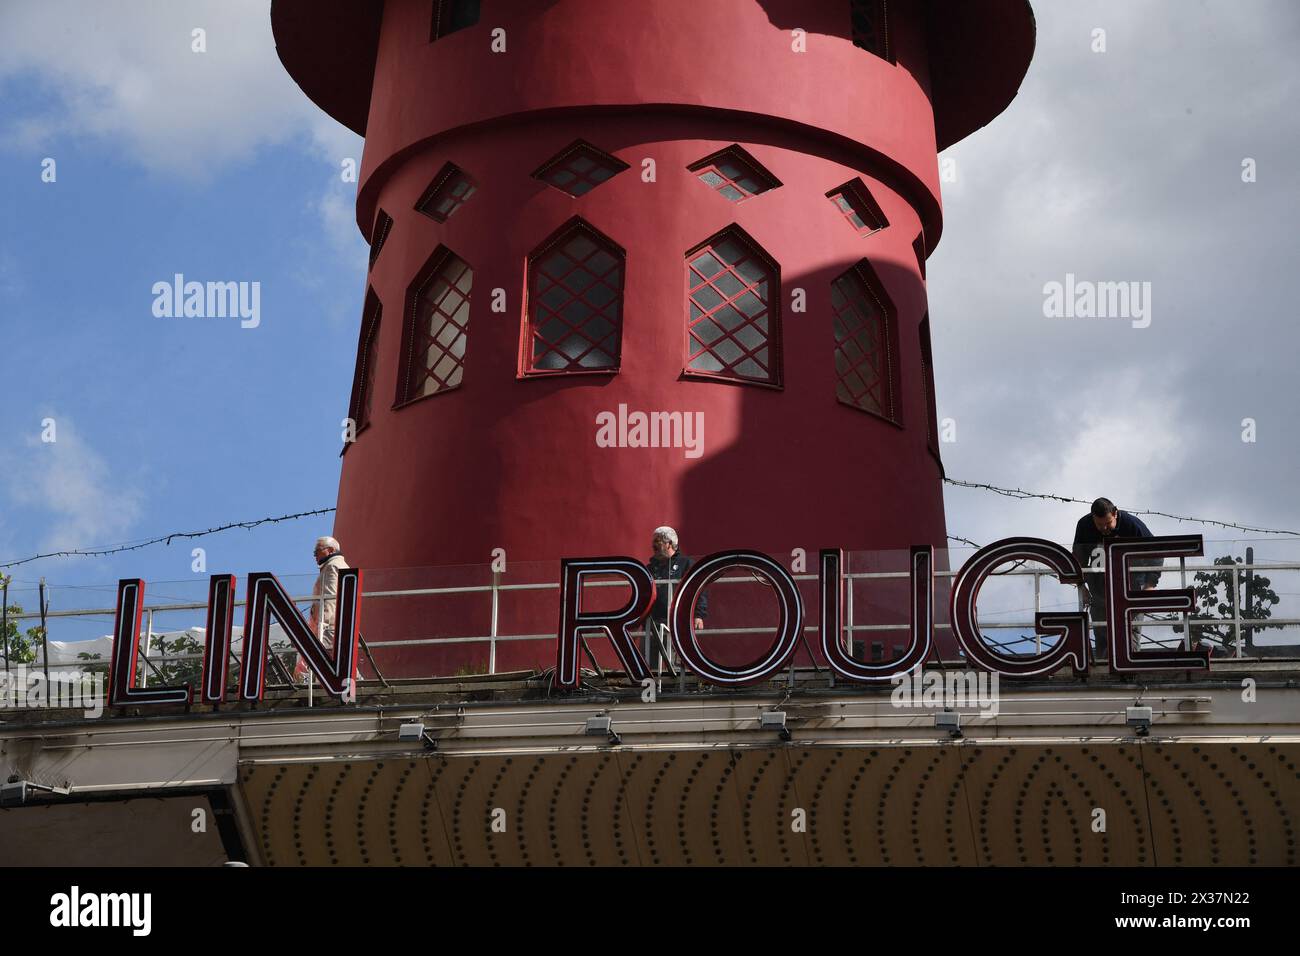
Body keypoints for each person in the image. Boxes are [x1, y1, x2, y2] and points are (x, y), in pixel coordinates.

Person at [1071, 498, 1163, 661]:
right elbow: (1077, 559)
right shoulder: (1084, 525)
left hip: (1131, 589)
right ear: (1093, 518)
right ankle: (1105, 671)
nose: (1104, 529)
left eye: (1108, 523)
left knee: (1130, 634)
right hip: (1099, 590)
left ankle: (1130, 672)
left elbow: (1155, 552)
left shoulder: (1131, 525)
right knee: (1102, 635)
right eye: (1099, 525)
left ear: (1115, 513)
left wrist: (1150, 586)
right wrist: (1081, 586)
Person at [642, 526, 708, 671]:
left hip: (676, 622)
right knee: (649, 663)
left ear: (669, 543)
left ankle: (677, 688)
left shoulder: (686, 564)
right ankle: (652, 689)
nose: (653, 545)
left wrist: (699, 615)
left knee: (675, 663)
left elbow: (698, 588)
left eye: (658, 541)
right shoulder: (649, 568)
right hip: (652, 623)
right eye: (653, 541)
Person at [294, 536, 350, 683]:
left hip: (328, 625)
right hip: (334, 623)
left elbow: (330, 597)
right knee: (339, 661)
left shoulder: (332, 567)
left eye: (317, 551)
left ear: (331, 550)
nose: (315, 556)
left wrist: (322, 624)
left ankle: (308, 686)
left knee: (317, 658)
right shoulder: (337, 565)